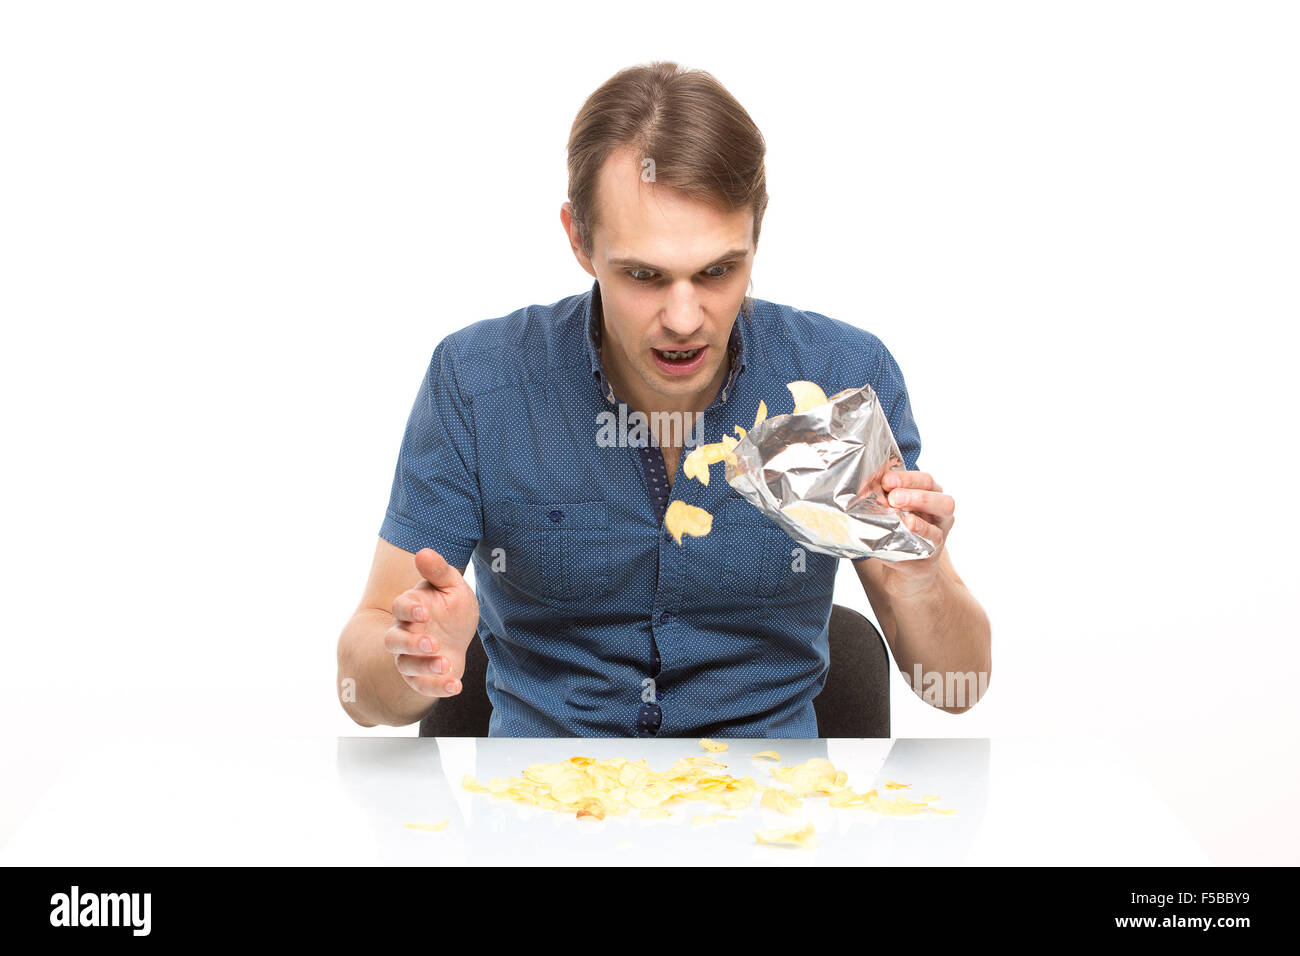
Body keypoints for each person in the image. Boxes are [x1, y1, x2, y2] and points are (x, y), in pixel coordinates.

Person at [337, 61, 991, 736]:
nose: (684, 318)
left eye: (717, 271)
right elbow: (360, 686)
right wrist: (412, 659)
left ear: (757, 235)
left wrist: (922, 580)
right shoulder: (478, 382)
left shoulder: (841, 380)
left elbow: (958, 686)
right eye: (644, 275)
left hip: (770, 816)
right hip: (545, 815)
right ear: (579, 240)